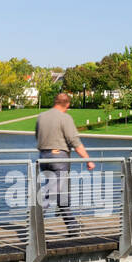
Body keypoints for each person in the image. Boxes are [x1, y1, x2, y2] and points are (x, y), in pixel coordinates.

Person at [35, 93, 95, 237]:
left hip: (43, 157)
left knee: (60, 193)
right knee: (52, 193)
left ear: (55, 101)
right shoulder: (65, 118)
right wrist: (88, 160)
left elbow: (38, 136)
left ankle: (73, 227)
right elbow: (75, 141)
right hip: (59, 159)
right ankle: (33, 225)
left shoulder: (41, 116)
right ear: (67, 104)